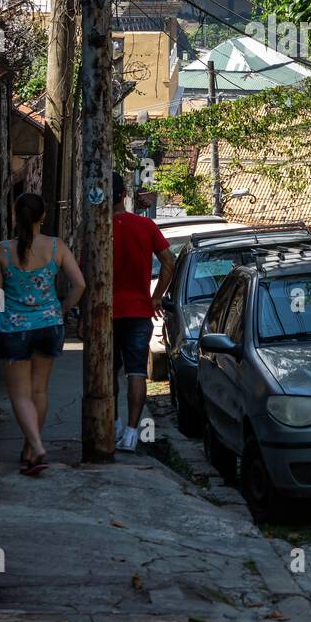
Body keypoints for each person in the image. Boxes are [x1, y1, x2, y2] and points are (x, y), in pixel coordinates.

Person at [0, 193, 86, 475]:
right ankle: (31, 450)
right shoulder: (56, 247)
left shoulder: (2, 251)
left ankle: (37, 447)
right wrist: (61, 310)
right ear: (42, 217)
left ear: (16, 216)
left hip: (14, 328)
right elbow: (79, 285)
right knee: (40, 390)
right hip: (49, 325)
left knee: (20, 394)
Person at [112, 171, 175, 451]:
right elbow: (169, 262)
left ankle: (111, 422)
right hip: (139, 311)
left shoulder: (97, 227)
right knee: (136, 372)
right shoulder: (145, 226)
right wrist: (156, 297)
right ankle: (131, 432)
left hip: (106, 313)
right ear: (124, 195)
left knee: (107, 371)